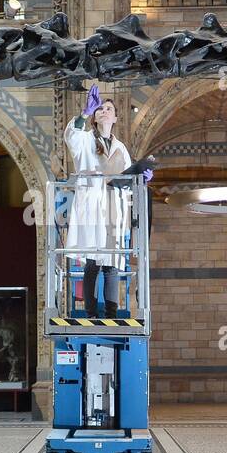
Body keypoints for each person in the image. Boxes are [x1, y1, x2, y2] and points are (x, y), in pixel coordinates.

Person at [63, 85, 152, 318]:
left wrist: (141, 177)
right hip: (92, 206)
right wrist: (84, 114)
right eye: (100, 108)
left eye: (108, 108)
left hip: (114, 207)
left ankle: (111, 312)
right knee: (92, 261)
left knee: (112, 263)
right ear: (94, 115)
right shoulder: (85, 139)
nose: (103, 111)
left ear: (115, 116)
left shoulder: (121, 147)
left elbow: (127, 178)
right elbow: (71, 136)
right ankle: (91, 312)